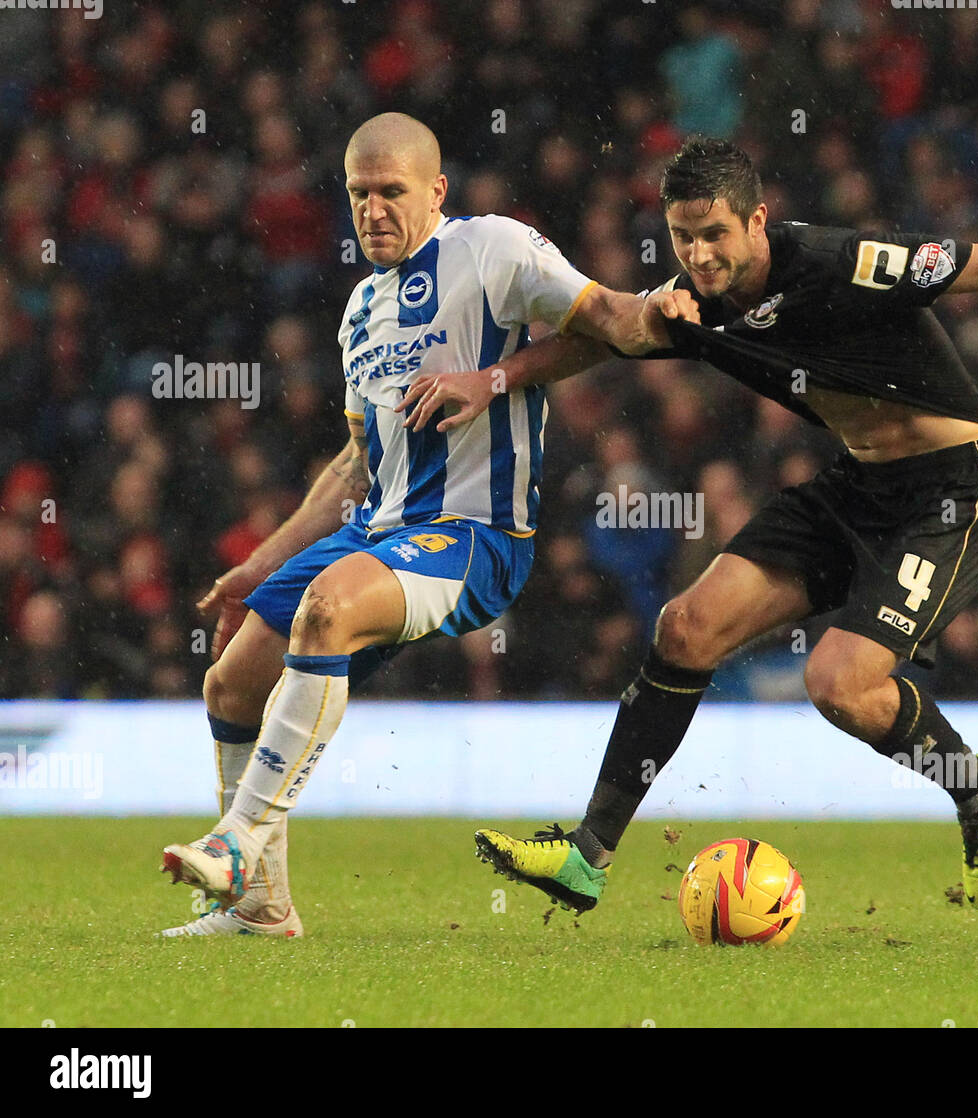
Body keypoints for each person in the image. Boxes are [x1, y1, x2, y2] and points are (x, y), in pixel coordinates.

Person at [402, 137, 978, 913]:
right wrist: (498, 378)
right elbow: (607, 334)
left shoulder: (845, 263)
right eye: (682, 237)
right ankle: (587, 858)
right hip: (856, 486)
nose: (699, 256)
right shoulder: (692, 304)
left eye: (715, 236)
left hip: (954, 488)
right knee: (686, 627)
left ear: (758, 220)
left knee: (840, 684)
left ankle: (977, 786)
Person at [157, 112, 697, 936]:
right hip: (377, 530)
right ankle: (261, 907)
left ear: (436, 190)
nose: (372, 209)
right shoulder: (357, 312)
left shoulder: (496, 249)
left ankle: (235, 844)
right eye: (358, 194)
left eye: (392, 192)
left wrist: (500, 375)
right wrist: (257, 564)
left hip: (476, 534)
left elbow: (611, 326)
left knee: (329, 609)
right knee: (230, 681)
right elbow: (351, 464)